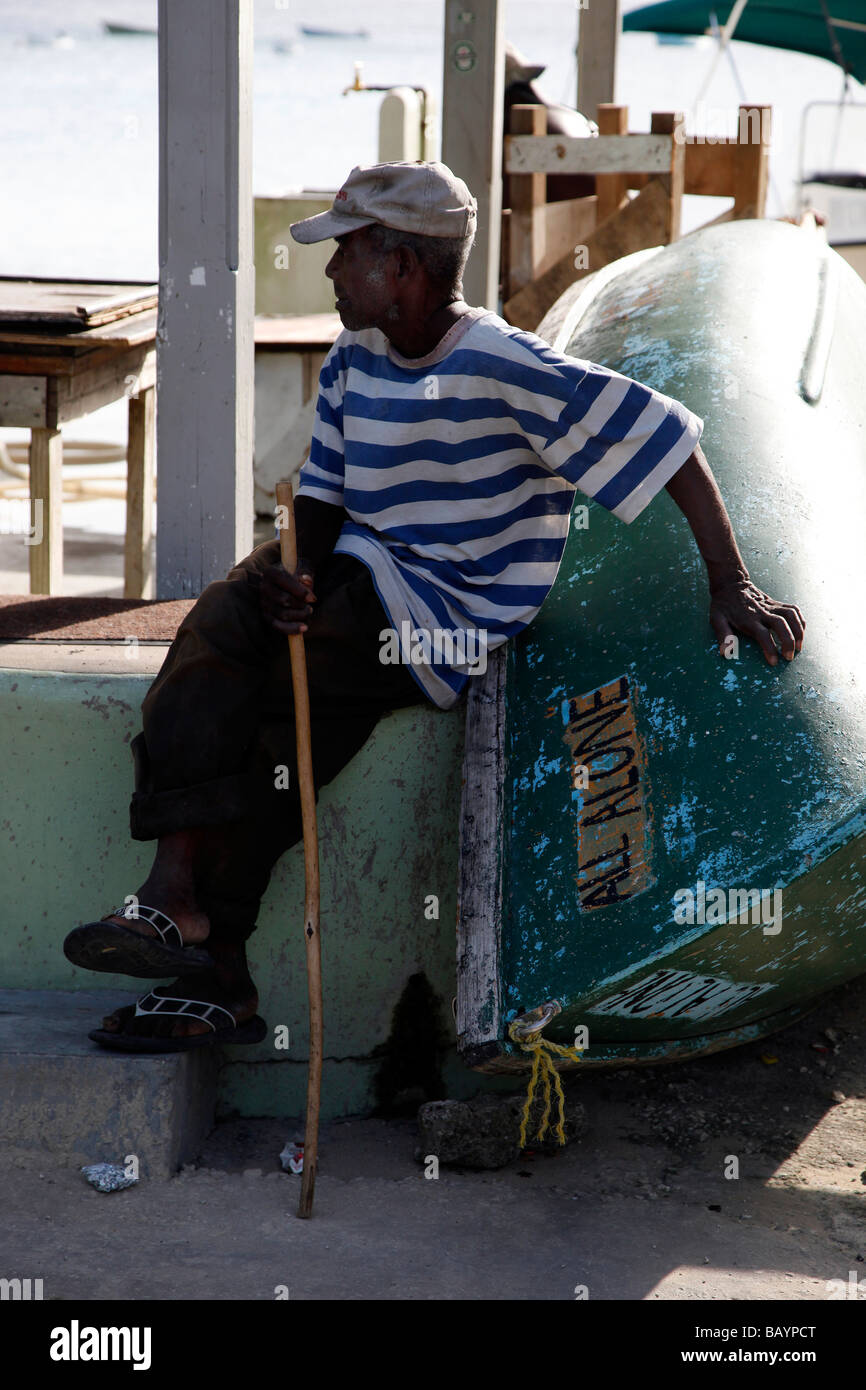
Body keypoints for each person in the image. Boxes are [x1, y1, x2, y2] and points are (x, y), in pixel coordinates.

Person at [63, 160, 805, 1050]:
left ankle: (185, 919)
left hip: (442, 616)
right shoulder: (352, 361)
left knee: (247, 695)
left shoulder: (504, 365)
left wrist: (731, 582)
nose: (330, 273)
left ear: (401, 266)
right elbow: (324, 502)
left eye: (343, 254)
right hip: (361, 578)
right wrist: (289, 573)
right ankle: (202, 948)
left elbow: (667, 439)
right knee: (230, 656)